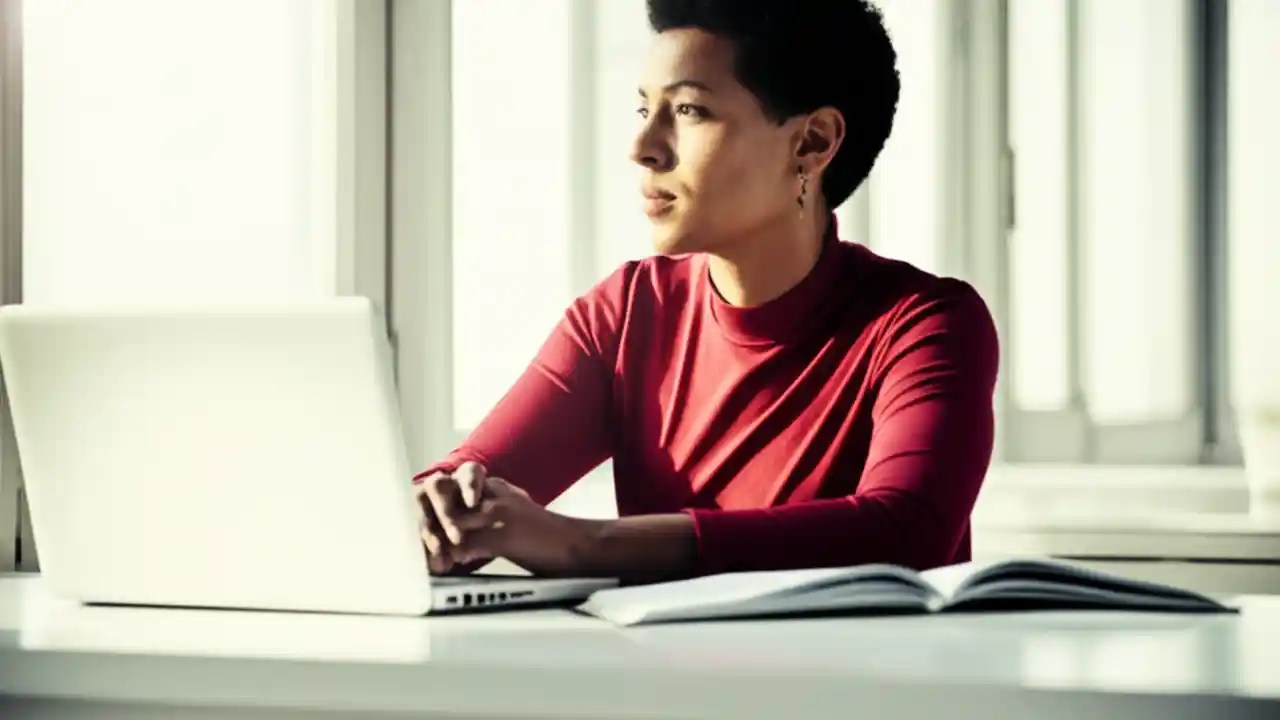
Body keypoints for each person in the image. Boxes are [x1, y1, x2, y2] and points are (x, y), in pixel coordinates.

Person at [412, 0, 999, 584]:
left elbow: (905, 532)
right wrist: (437, 509)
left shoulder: (926, 325)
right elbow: (465, 489)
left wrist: (581, 542)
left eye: (689, 110)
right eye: (645, 108)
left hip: (863, 677)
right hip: (662, 679)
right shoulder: (623, 318)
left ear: (812, 143)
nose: (644, 146)